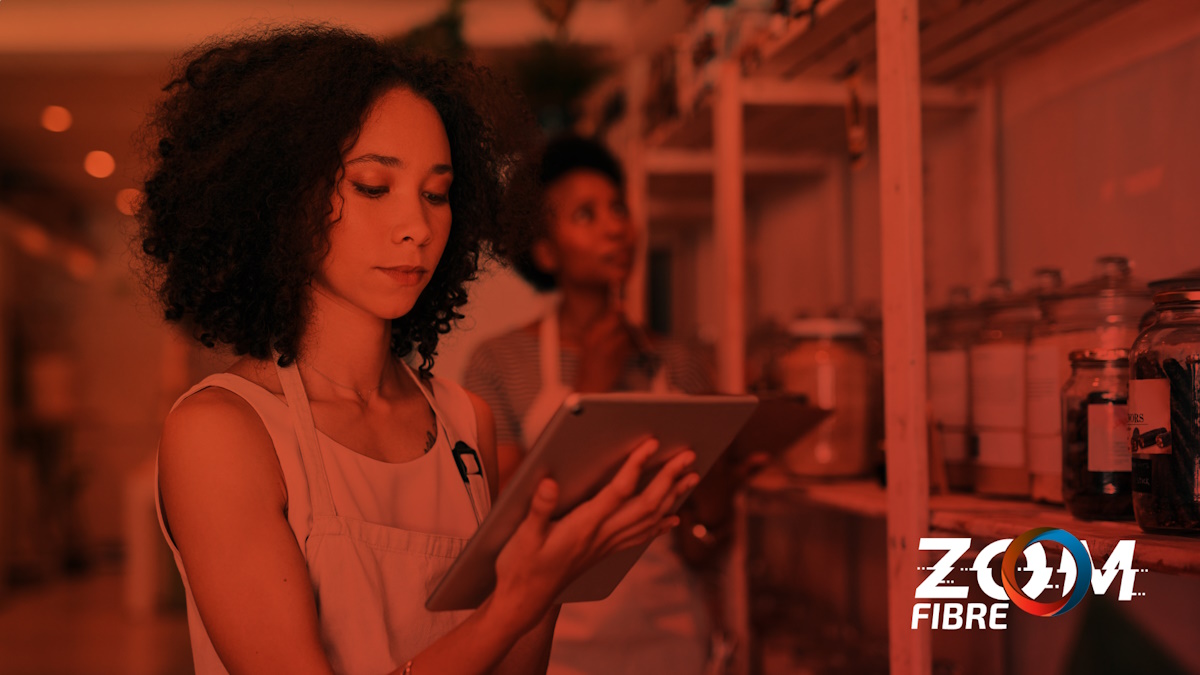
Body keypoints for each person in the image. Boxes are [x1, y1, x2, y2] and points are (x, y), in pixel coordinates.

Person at [138, 26, 698, 675]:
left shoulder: (465, 421)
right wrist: (512, 604)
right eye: (374, 186)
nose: (419, 226)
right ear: (283, 200)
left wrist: (550, 580)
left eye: (436, 193)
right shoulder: (221, 431)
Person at [464, 135, 727, 675]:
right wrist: (588, 387)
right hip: (552, 644)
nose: (615, 227)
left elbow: (700, 545)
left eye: (618, 209)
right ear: (545, 251)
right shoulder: (498, 363)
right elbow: (505, 523)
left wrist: (726, 486)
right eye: (586, 214)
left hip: (671, 638)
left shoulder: (679, 362)